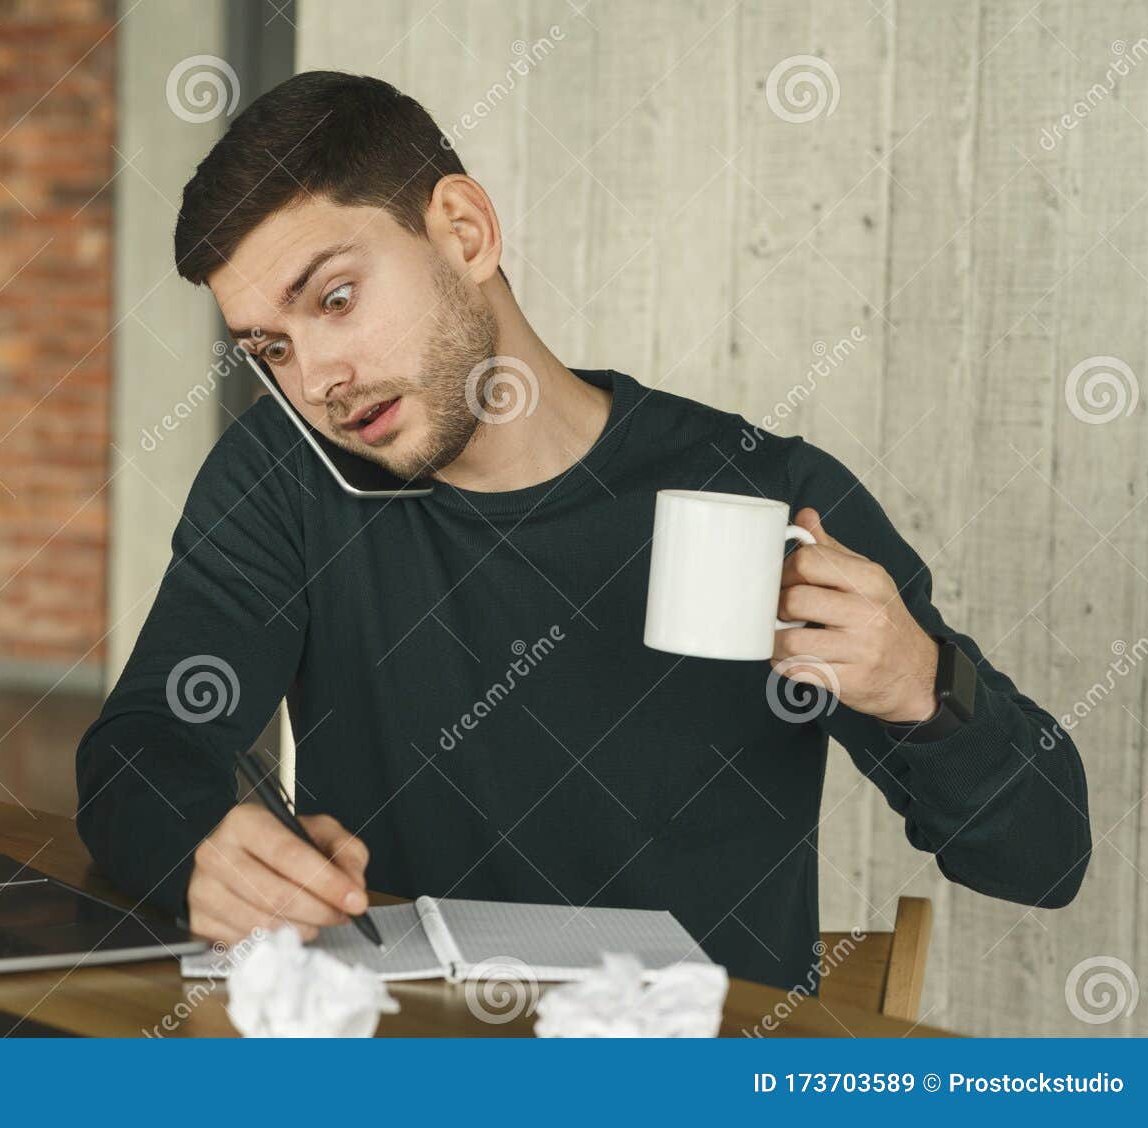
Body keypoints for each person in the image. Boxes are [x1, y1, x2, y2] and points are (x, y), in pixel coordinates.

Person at [76, 71, 1090, 991]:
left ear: (465, 231)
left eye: (336, 299)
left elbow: (1044, 855)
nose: (317, 382)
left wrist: (922, 685)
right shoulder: (288, 481)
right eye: (271, 348)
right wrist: (202, 847)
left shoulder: (768, 496)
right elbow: (141, 751)